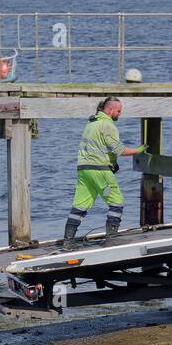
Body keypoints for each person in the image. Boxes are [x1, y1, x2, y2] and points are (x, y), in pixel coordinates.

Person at [63, 96, 139, 248]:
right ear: (110, 110)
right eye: (118, 111)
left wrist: (112, 162)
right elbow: (119, 150)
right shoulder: (107, 125)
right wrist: (139, 150)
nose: (119, 114)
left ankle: (68, 242)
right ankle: (111, 238)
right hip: (100, 172)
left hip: (84, 171)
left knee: (80, 205)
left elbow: (99, 148)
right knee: (116, 201)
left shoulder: (91, 123)